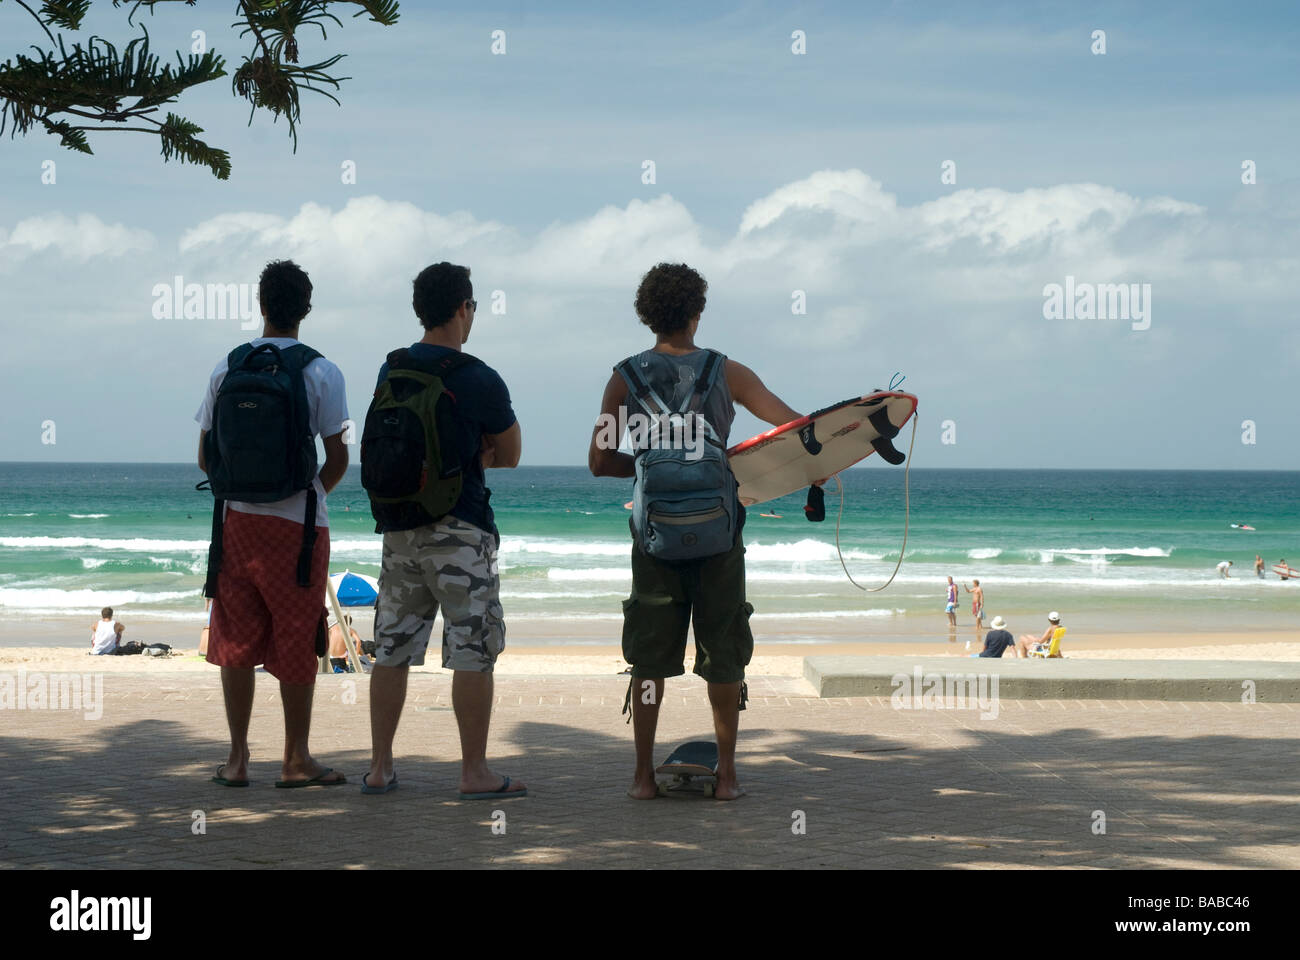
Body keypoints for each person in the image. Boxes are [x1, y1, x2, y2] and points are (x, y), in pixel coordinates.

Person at [589, 262, 807, 802]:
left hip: (653, 539)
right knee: (724, 653)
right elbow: (792, 428)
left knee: (647, 659)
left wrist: (643, 467)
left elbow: (598, 461)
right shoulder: (727, 373)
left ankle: (642, 778)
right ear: (696, 312)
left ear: (648, 316)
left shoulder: (623, 377)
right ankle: (727, 777)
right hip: (720, 538)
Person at [365, 262, 525, 799]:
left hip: (399, 527)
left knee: (392, 647)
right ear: (462, 309)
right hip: (461, 531)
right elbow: (512, 454)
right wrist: (474, 454)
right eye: (473, 307)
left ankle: (380, 767)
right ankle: (474, 771)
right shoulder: (478, 376)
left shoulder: (393, 370)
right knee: (472, 650)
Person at [196, 260, 350, 788]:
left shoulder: (227, 367)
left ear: (260, 304)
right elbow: (337, 457)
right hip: (300, 531)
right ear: (306, 309)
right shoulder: (322, 372)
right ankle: (294, 759)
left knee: (235, 640)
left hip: (235, 524)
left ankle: (237, 760)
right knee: (296, 637)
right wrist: (308, 498)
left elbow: (205, 459)